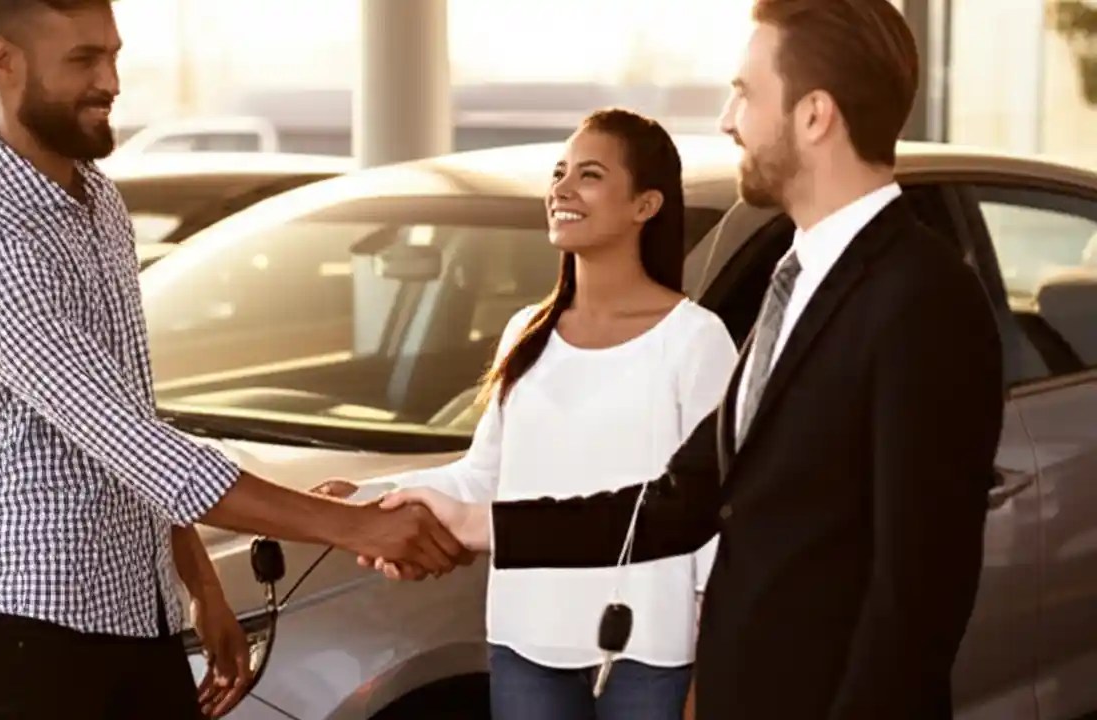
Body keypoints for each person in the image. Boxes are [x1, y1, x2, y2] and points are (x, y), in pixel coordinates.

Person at [376, 1, 1005, 719]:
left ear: (815, 115)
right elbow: (680, 502)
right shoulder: (796, 278)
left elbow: (919, 594)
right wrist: (473, 521)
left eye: (745, 92)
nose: (728, 120)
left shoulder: (922, 298)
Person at [0, 2, 465, 718]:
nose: (112, 80)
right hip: (41, 632)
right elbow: (136, 444)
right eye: (84, 60)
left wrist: (201, 587)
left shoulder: (99, 204)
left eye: (114, 54)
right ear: (4, 62)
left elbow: (131, 420)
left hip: (137, 614)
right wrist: (356, 527)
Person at [319, 109, 736, 720]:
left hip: (649, 652)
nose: (562, 189)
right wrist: (373, 494)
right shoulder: (527, 332)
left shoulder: (695, 339)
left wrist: (709, 658)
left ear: (645, 205)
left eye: (588, 175)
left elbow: (710, 517)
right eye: (559, 172)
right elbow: (484, 478)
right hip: (527, 642)